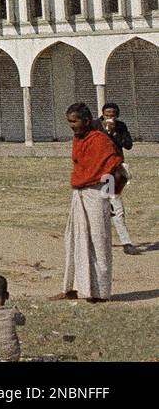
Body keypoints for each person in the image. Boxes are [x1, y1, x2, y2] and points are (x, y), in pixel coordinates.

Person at [55, 103, 120, 302]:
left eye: (74, 121)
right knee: (76, 239)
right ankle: (75, 287)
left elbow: (115, 168)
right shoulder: (78, 140)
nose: (72, 125)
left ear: (86, 120)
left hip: (97, 193)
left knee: (98, 242)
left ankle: (100, 292)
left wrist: (109, 198)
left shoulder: (100, 140)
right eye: (69, 122)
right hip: (79, 193)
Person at [99, 103, 140, 256]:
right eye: (107, 114)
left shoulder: (120, 127)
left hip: (115, 172)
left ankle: (126, 242)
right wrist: (104, 131)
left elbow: (128, 145)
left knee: (116, 206)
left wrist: (115, 133)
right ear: (102, 114)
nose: (110, 117)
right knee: (102, 207)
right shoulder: (96, 126)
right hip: (100, 172)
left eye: (113, 114)